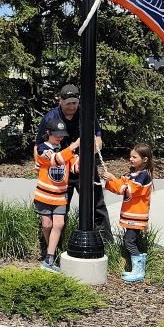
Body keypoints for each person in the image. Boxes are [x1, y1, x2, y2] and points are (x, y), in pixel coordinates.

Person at [35, 84, 112, 246]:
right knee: (59, 209)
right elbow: (38, 146)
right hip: (60, 170)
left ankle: (105, 245)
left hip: (84, 166)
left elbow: (98, 140)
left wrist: (82, 158)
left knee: (96, 204)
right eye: (68, 103)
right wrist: (40, 162)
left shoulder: (87, 114)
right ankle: (52, 248)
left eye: (74, 103)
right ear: (60, 100)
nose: (72, 107)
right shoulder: (50, 118)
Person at [33, 117, 80, 272]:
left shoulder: (64, 148)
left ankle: (49, 258)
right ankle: (50, 251)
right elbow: (55, 160)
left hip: (60, 195)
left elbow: (73, 166)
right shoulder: (42, 149)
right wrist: (74, 146)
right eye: (56, 134)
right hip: (44, 195)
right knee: (47, 225)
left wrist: (79, 161)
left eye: (62, 134)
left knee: (59, 224)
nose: (60, 137)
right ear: (48, 133)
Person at [103, 143, 154, 283]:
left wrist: (114, 179)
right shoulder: (131, 174)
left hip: (137, 216)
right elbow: (119, 189)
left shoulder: (144, 177)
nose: (131, 159)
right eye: (130, 156)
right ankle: (137, 268)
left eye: (134, 157)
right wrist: (109, 181)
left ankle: (139, 270)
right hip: (129, 214)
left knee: (129, 241)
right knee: (130, 240)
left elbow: (130, 189)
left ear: (145, 159)